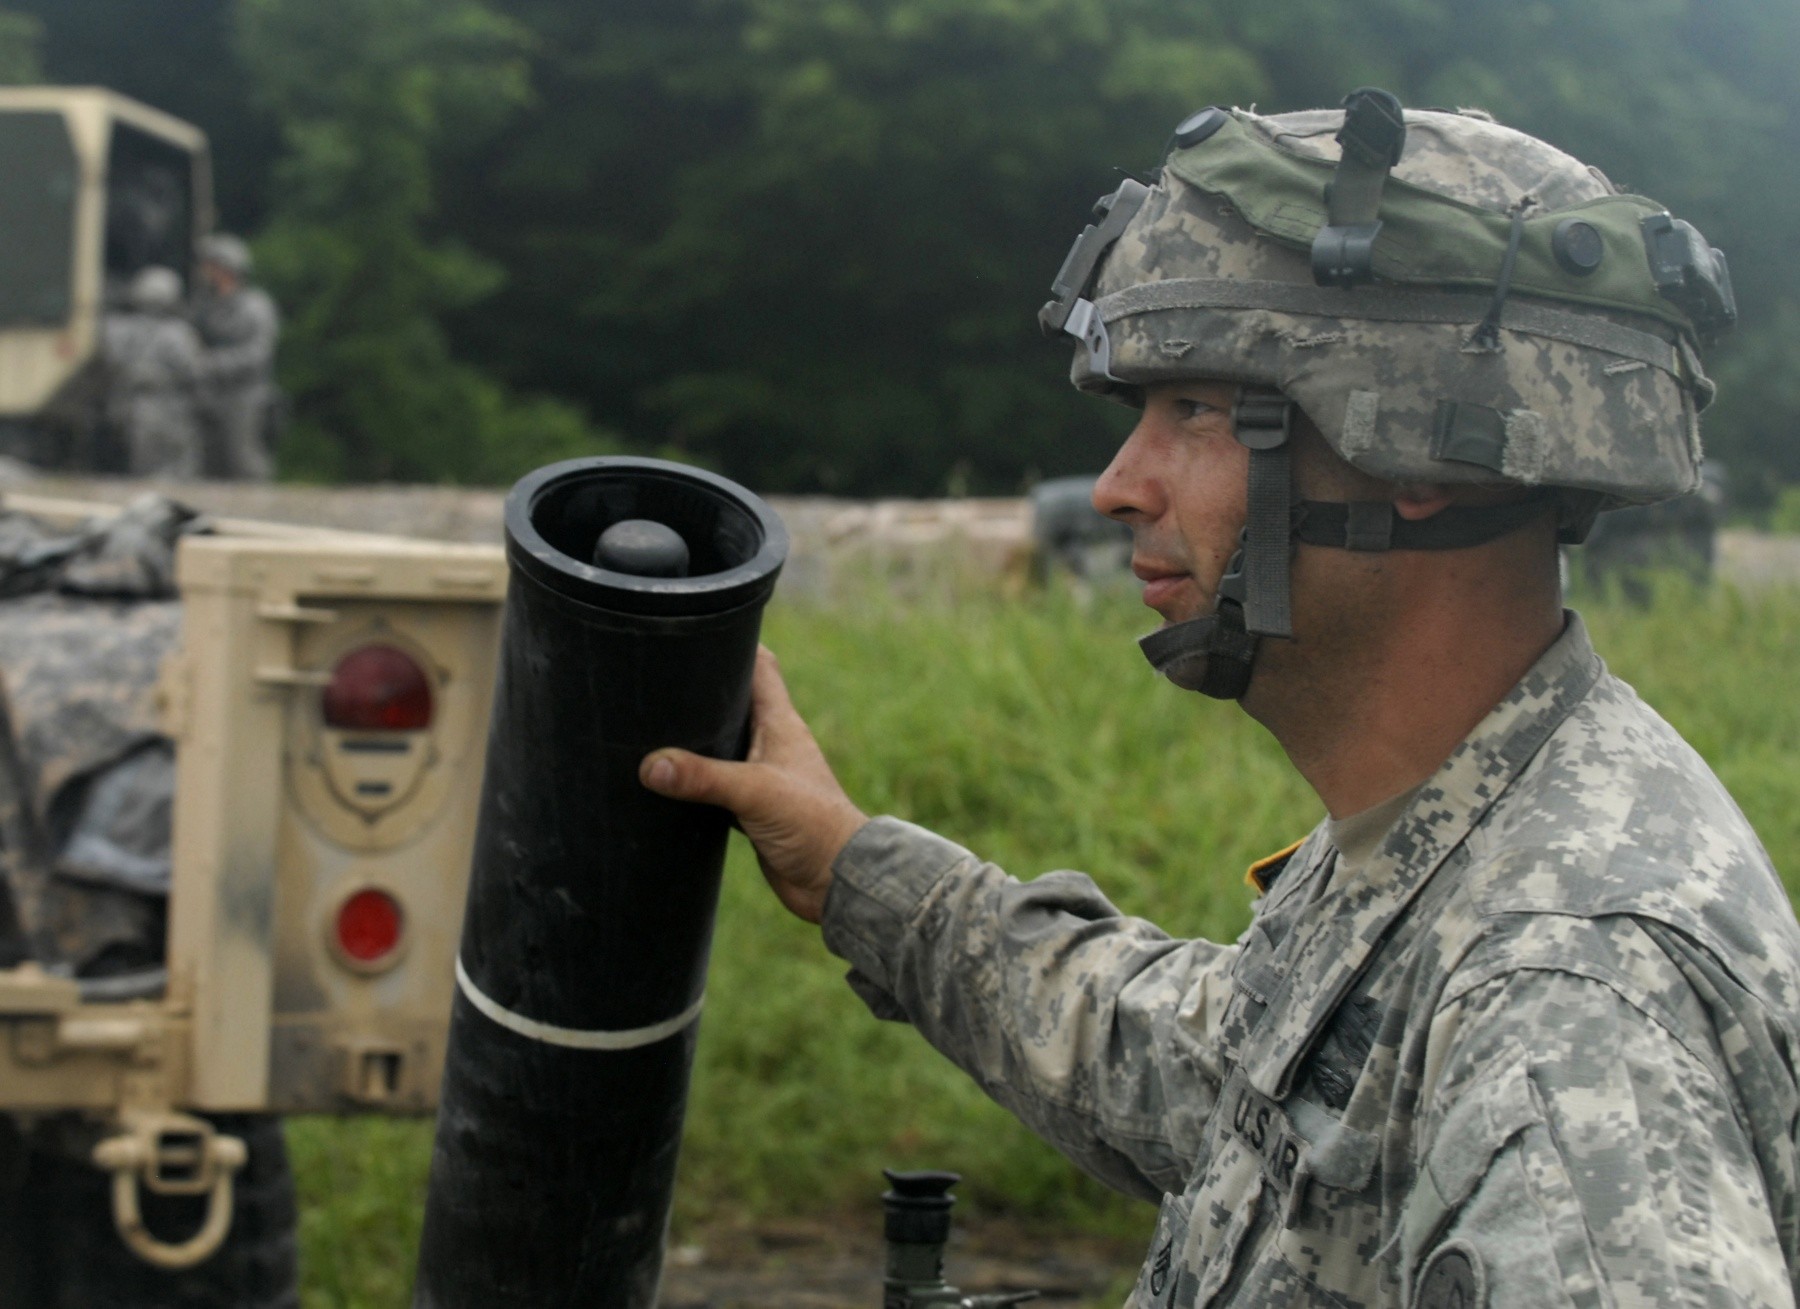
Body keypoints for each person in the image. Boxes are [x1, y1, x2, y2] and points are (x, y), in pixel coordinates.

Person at [642, 92, 1798, 1307]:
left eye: (1194, 409)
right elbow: (1221, 1082)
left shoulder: (1568, 991)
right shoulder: (1453, 826)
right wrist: (849, 867)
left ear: (1418, 457)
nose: (1116, 487)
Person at [100, 266, 205, 479]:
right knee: (178, 468)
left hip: (130, 405)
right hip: (169, 406)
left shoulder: (115, 328)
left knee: (140, 465)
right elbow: (193, 371)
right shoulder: (178, 333)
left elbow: (110, 363)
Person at [194, 233, 280, 481]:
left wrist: (214, 362)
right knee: (209, 464)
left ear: (226, 268)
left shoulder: (255, 306)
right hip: (210, 392)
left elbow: (259, 352)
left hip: (244, 394)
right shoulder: (206, 305)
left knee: (244, 461)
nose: (206, 271)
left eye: (212, 265)